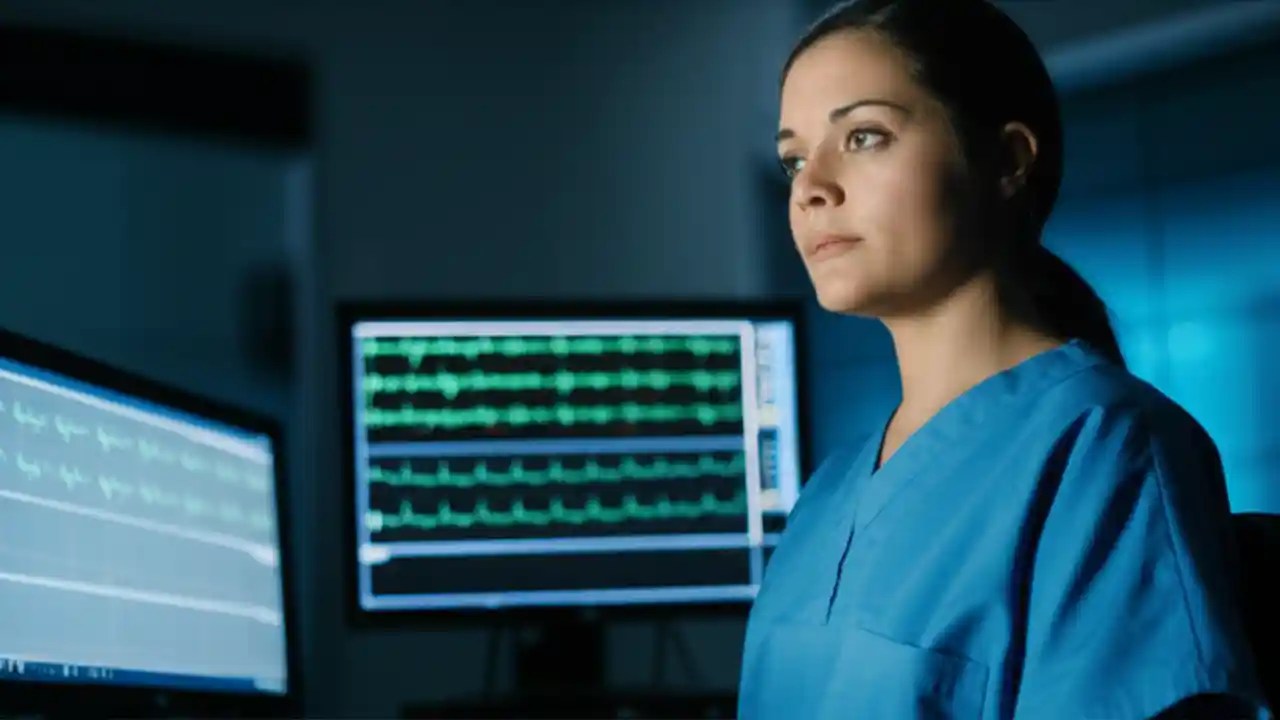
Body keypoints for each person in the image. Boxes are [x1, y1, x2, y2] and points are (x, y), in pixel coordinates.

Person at [738, 0, 1274, 718]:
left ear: (1007, 161)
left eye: (863, 136)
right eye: (794, 159)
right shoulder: (826, 497)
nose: (810, 189)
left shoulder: (1105, 448)